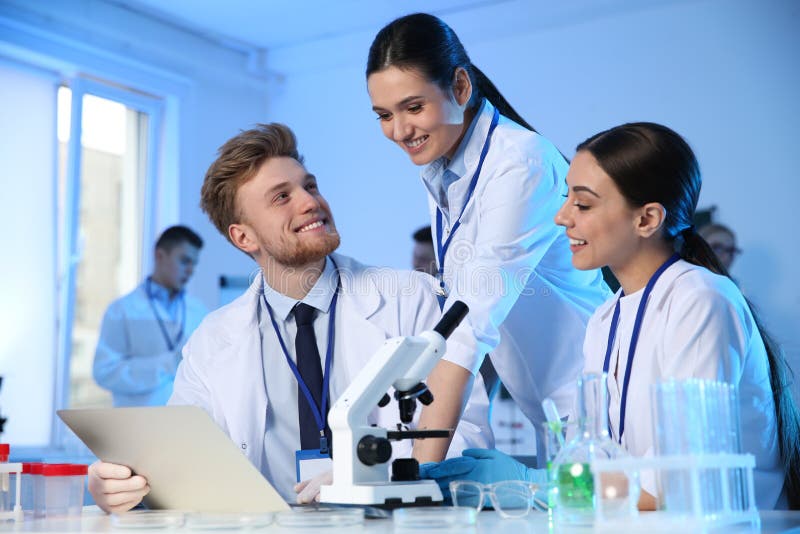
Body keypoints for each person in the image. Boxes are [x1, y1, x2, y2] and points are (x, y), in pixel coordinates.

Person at [87, 123, 492, 513]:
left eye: (309, 186)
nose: (310, 201)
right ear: (243, 237)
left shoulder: (409, 300)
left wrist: (373, 478)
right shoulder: (212, 340)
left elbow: (467, 439)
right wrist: (124, 485)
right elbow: (178, 461)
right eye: (282, 197)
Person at [423, 122, 800, 510]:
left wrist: (532, 487)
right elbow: (598, 463)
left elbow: (675, 486)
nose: (561, 217)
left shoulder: (700, 301)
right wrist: (544, 482)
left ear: (647, 219)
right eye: (567, 198)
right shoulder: (605, 320)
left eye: (582, 204)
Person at [366, 13, 610, 460]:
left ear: (460, 88)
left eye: (414, 107)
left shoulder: (520, 163)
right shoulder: (441, 167)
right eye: (384, 115)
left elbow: (470, 324)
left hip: (598, 408)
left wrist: (424, 472)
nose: (399, 131)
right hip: (551, 413)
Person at [93, 225, 207, 407]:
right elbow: (105, 372)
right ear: (160, 256)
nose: (190, 270)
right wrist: (165, 365)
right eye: (185, 261)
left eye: (194, 264)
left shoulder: (199, 311)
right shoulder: (121, 310)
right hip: (138, 425)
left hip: (186, 424)